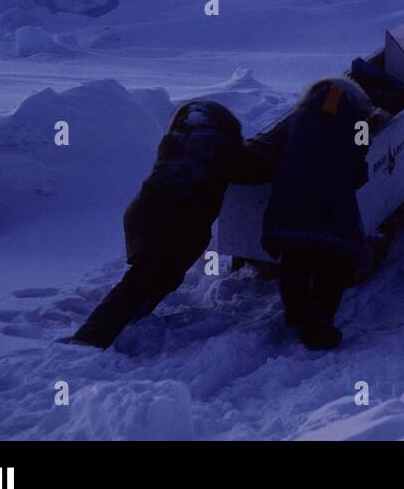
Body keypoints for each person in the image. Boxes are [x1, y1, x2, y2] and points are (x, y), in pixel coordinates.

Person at [69, 100, 271, 349]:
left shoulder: (175, 140)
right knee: (143, 280)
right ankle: (89, 339)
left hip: (145, 213)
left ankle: (130, 318)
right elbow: (258, 170)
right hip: (176, 217)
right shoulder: (219, 146)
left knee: (158, 276)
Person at [252, 77, 382, 350]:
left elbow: (276, 153)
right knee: (332, 264)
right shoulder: (359, 123)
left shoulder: (297, 119)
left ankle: (294, 311)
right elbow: (358, 171)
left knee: (295, 258)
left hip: (289, 205)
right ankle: (319, 320)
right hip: (331, 208)